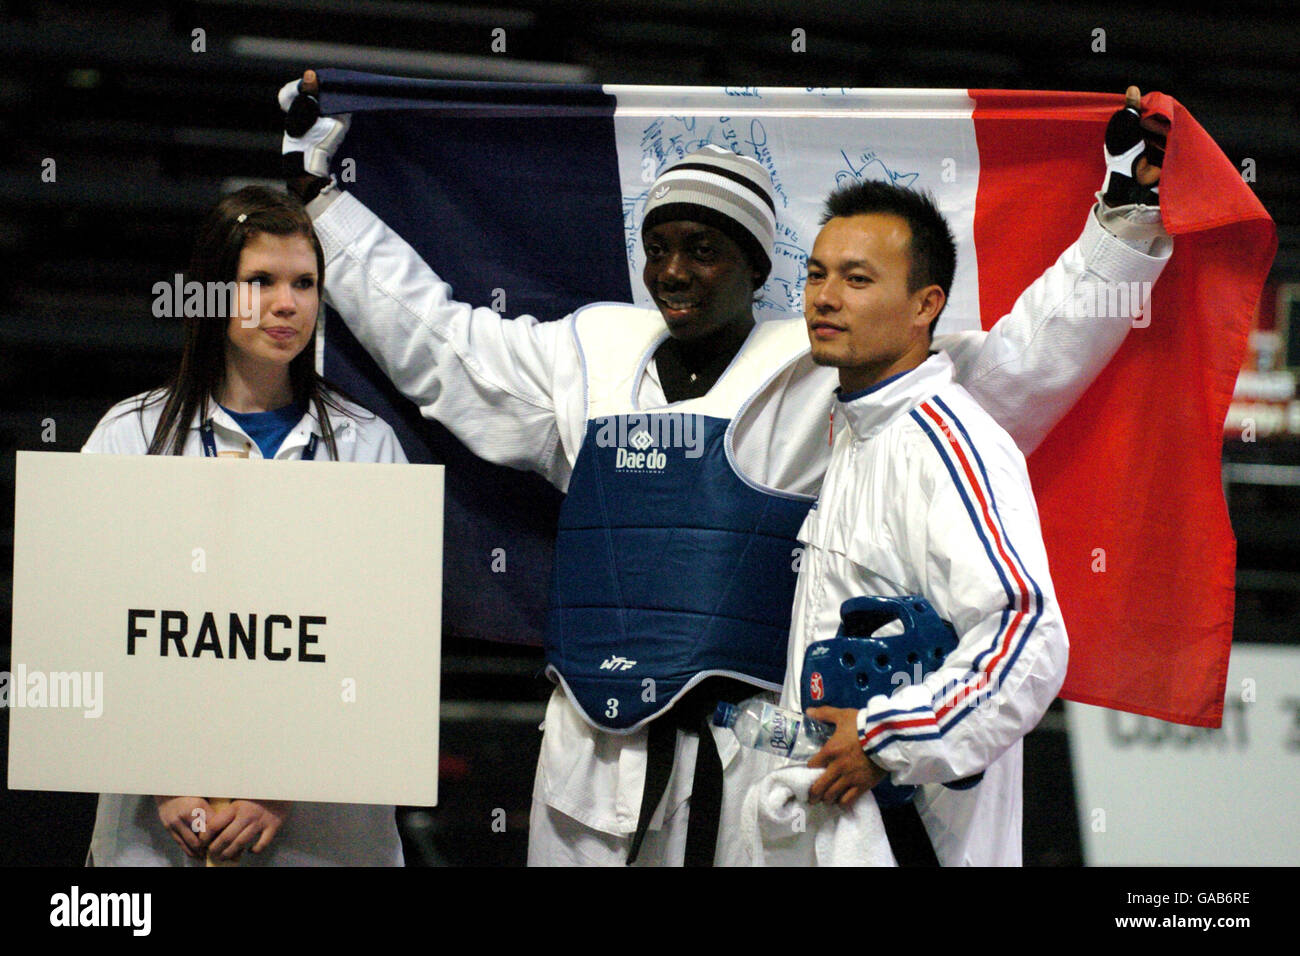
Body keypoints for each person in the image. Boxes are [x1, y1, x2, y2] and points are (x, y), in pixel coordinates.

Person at [279, 75, 1170, 865]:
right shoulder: (589, 353)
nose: (674, 271)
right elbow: (440, 341)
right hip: (586, 767)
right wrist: (327, 209)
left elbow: (1010, 365)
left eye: (703, 250)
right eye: (659, 245)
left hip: (750, 773)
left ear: (755, 265)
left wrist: (1120, 229)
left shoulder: (827, 372)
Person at [82, 186, 407, 866]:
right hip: (159, 826)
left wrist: (287, 780)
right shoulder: (130, 435)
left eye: (304, 283)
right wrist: (163, 775)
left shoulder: (369, 445)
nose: (287, 304)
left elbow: (384, 644)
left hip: (329, 827)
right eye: (259, 281)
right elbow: (90, 625)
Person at [761, 179, 1067, 866]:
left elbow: (1028, 633)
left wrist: (891, 738)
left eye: (857, 279)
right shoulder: (857, 431)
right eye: (816, 275)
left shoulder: (948, 441)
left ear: (926, 305)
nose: (825, 297)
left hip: (922, 841)